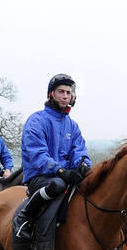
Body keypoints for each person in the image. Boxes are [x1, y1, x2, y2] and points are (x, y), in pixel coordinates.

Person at [13, 73, 91, 240]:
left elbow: (79, 150)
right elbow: (37, 154)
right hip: (41, 176)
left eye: (68, 93)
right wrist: (61, 170)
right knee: (57, 184)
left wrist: (83, 166)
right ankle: (24, 218)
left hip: (65, 175)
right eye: (61, 92)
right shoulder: (36, 120)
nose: (65, 96)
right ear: (51, 94)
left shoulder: (72, 125)